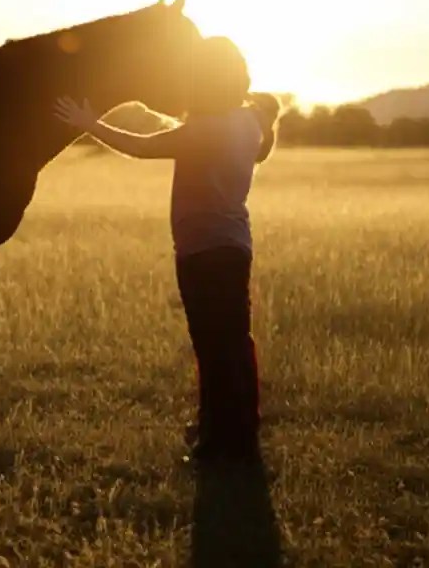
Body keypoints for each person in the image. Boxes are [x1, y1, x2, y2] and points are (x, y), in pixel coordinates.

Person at [53, 36, 281, 464]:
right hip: (235, 246)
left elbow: (141, 147)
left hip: (201, 249)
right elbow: (237, 117)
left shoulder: (203, 131)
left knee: (211, 347)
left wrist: (88, 122)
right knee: (234, 342)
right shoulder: (251, 121)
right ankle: (238, 434)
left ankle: (217, 444)